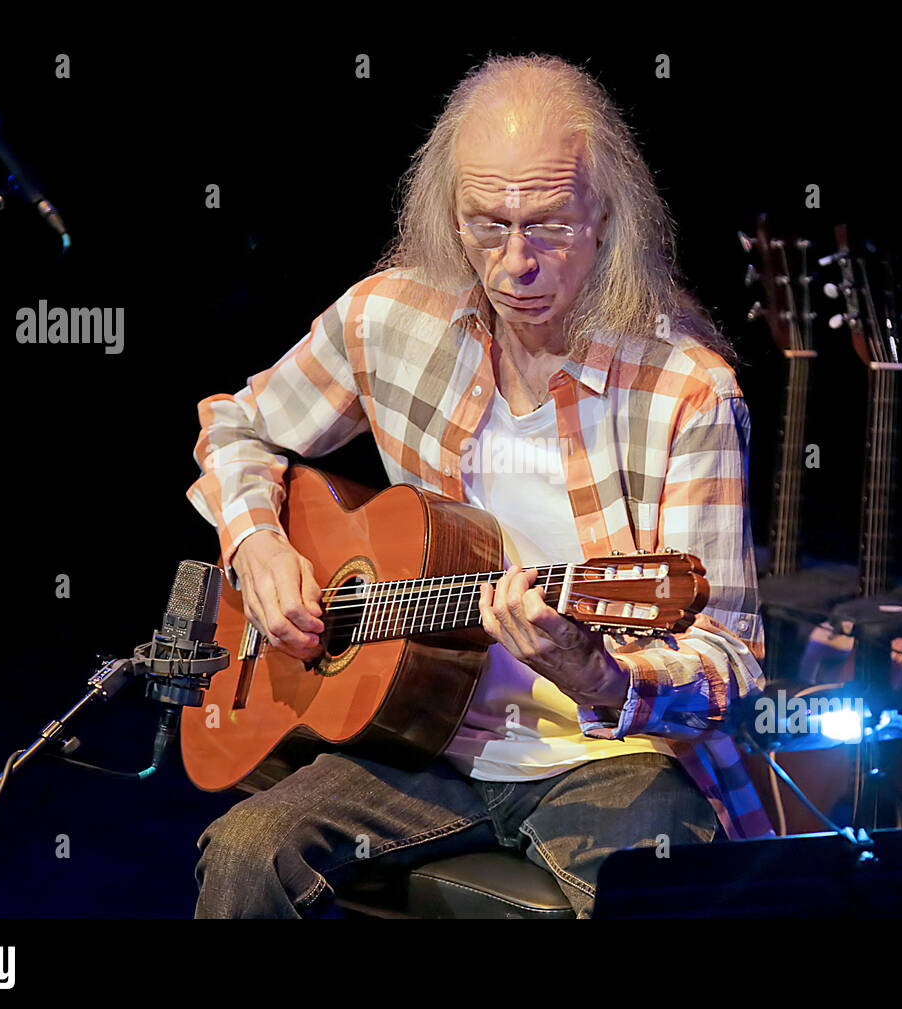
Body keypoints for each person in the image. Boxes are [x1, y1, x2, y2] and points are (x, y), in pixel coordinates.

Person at [187, 53, 772, 918]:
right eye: (485, 225)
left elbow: (729, 660)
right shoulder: (390, 317)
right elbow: (236, 423)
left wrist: (604, 678)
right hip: (420, 742)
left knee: (649, 895)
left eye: (548, 226)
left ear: (605, 218)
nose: (514, 264)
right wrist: (258, 542)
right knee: (242, 855)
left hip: (613, 760)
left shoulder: (687, 390)